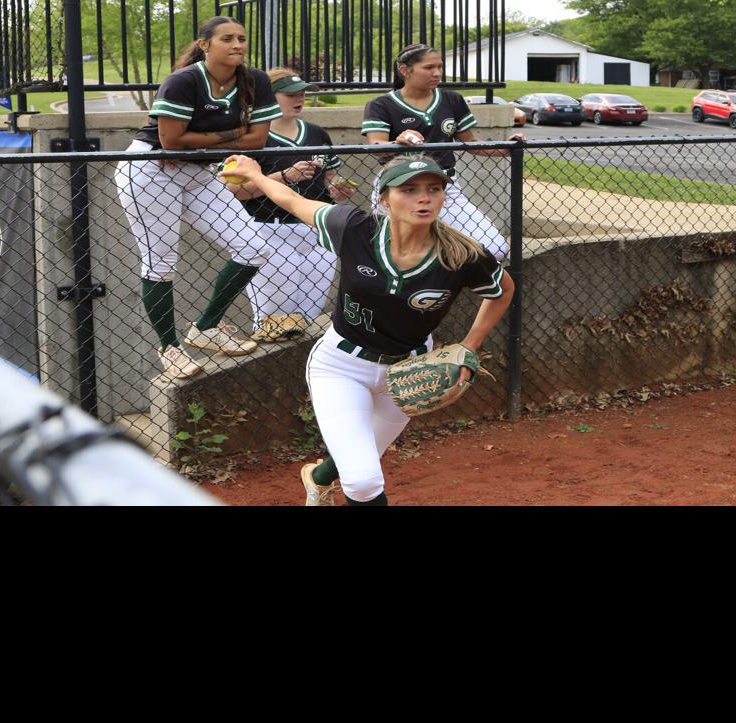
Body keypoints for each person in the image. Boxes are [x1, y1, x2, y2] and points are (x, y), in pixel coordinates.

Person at [219, 154, 515, 506]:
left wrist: (470, 346)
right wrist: (256, 174)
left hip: (408, 372)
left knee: (360, 461)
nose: (424, 198)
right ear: (384, 199)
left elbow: (503, 290)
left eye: (434, 189)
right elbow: (292, 200)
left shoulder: (460, 254)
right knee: (363, 480)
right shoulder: (354, 228)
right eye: (409, 189)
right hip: (341, 367)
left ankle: (318, 477)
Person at [114, 15, 282, 380]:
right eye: (227, 39)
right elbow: (170, 142)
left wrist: (201, 140)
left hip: (199, 172)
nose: (237, 44)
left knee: (255, 247)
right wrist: (232, 132)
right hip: (150, 169)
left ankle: (206, 327)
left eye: (241, 38)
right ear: (205, 44)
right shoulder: (184, 80)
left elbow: (258, 140)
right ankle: (169, 348)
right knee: (160, 264)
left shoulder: (255, 81)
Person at [361, 43, 525, 261]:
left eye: (440, 66)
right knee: (392, 255)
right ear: (405, 70)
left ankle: (441, 280)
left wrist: (506, 148)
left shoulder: (452, 100)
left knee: (494, 249)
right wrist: (396, 142)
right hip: (398, 186)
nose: (437, 73)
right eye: (429, 67)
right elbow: (376, 146)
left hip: (444, 184)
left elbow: (471, 143)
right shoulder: (381, 104)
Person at [230, 68, 350, 343]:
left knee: (307, 318)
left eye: (302, 94)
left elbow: (330, 176)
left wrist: (337, 187)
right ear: (269, 98)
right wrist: (284, 176)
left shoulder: (317, 133)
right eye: (291, 94)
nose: (300, 99)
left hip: (317, 230)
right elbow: (234, 191)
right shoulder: (251, 138)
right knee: (274, 322)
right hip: (269, 231)